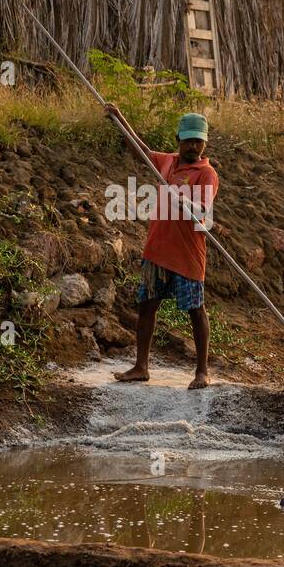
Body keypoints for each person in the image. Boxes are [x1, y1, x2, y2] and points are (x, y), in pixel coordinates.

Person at [105, 105, 219, 390]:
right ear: (178, 139)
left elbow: (204, 210)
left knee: (196, 309)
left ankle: (202, 371)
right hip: (157, 250)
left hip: (187, 254)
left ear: (205, 142)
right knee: (146, 306)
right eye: (188, 140)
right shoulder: (167, 162)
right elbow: (140, 149)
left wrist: (185, 202)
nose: (193, 146)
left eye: (198, 141)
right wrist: (120, 119)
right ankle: (141, 366)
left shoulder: (207, 174)